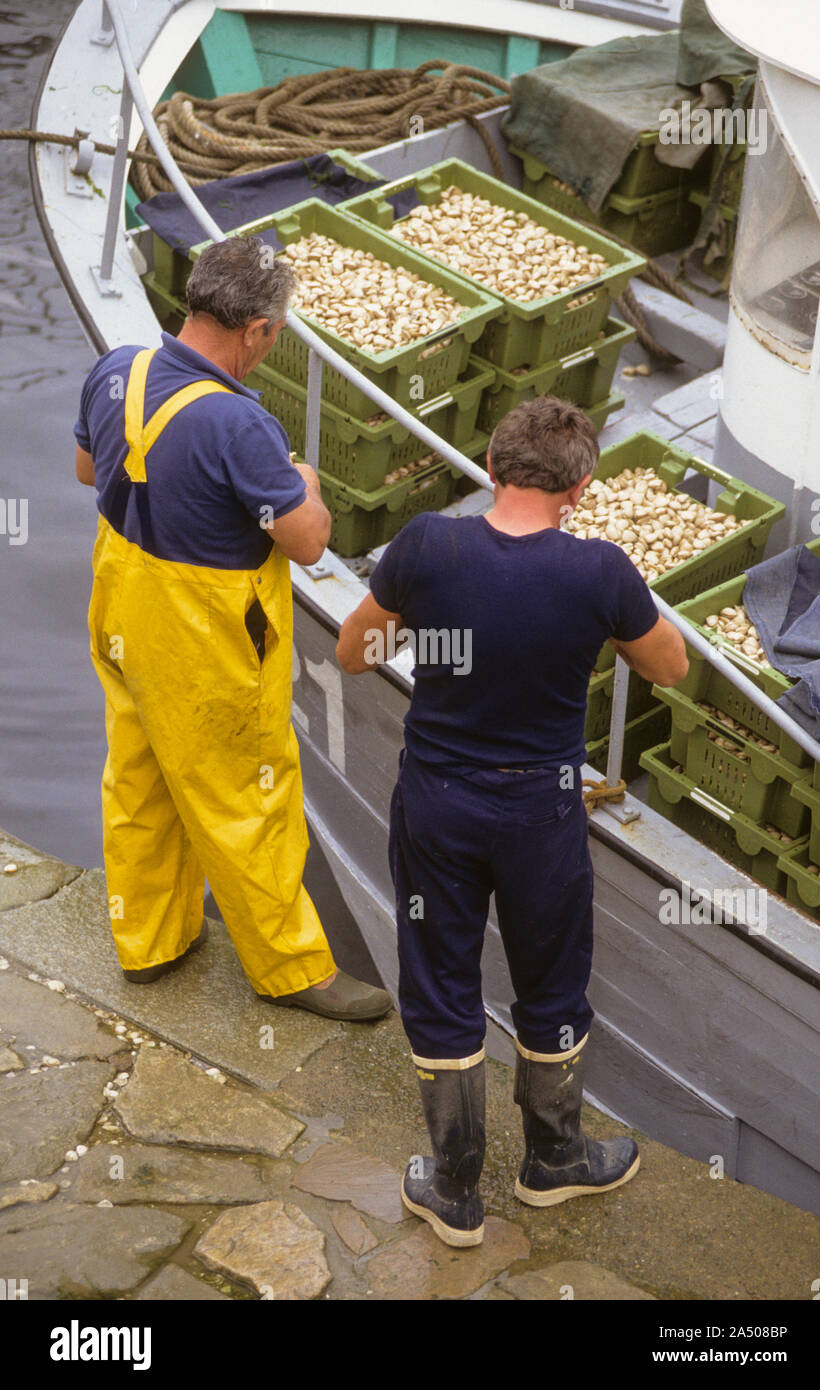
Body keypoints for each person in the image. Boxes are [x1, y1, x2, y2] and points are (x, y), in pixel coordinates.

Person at [336, 397, 688, 1245]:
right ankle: (553, 1163)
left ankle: (454, 1191)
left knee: (440, 977)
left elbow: (356, 654)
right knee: (552, 978)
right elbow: (669, 667)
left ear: (489, 468)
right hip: (540, 810)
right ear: (581, 486)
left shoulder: (426, 545)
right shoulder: (599, 570)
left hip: (438, 803)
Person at [74, 235, 390, 1023]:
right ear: (256, 331)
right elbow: (307, 542)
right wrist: (304, 483)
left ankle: (148, 943)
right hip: (204, 639)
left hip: (121, 607)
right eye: (273, 334)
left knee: (139, 777)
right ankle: (292, 972)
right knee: (248, 799)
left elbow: (89, 472)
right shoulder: (239, 425)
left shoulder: (118, 370)